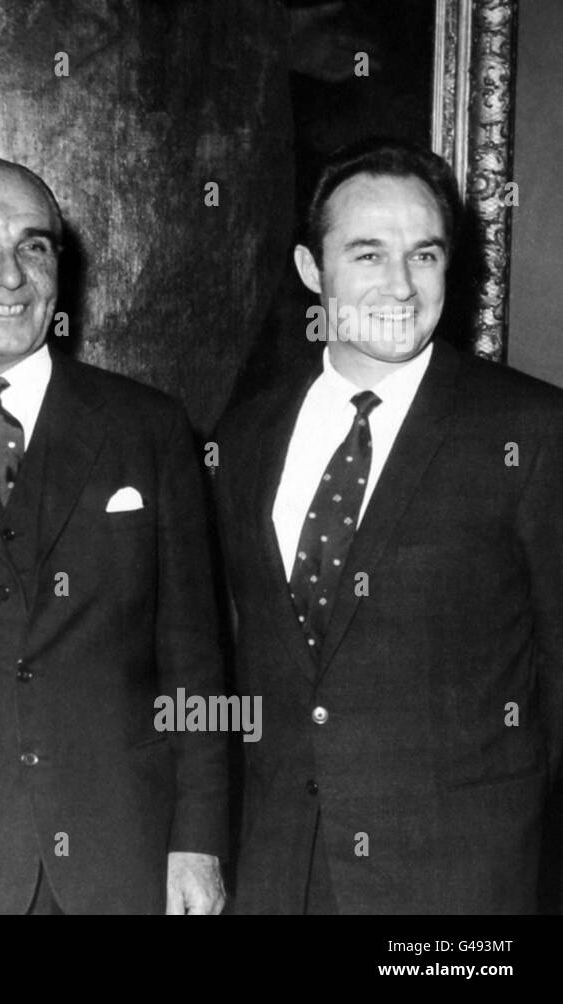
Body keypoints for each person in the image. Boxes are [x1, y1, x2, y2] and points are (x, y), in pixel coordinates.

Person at [214, 137, 563, 914]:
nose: (401, 285)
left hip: (459, 885)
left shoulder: (531, 431)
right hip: (281, 874)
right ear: (313, 271)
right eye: (368, 255)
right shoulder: (243, 438)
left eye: (426, 255)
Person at [0, 158, 228, 914]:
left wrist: (200, 839)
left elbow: (196, 657)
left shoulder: (146, 426)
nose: (11, 276)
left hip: (125, 854)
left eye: (35, 246)